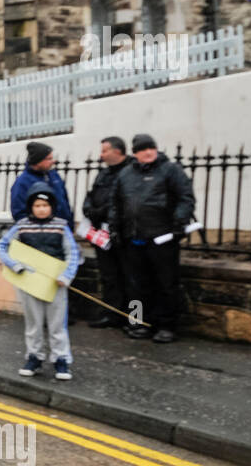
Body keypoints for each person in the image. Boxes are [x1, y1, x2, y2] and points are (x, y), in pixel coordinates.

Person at [108, 133, 196, 343]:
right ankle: (137, 322)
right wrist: (115, 228)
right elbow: (116, 203)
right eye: (142, 149)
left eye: (151, 148)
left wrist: (178, 223)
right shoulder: (125, 174)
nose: (148, 152)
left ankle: (166, 325)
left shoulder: (171, 170)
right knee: (135, 285)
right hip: (133, 238)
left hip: (162, 238)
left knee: (165, 283)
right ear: (135, 153)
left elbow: (185, 198)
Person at [0, 182, 81, 380]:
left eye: (45, 205)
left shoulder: (61, 226)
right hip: (29, 284)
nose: (41, 209)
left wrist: (66, 276)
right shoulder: (22, 225)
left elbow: (72, 253)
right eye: (37, 205)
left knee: (57, 324)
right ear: (30, 207)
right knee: (33, 324)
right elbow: (2, 245)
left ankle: (61, 359)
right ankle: (34, 357)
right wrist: (14, 265)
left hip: (56, 284)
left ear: (52, 206)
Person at [81, 136, 132, 327]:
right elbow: (91, 195)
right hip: (102, 234)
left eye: (104, 150)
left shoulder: (130, 171)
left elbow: (120, 201)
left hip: (122, 233)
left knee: (130, 278)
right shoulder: (103, 174)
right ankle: (111, 314)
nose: (101, 155)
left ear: (117, 151)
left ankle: (133, 317)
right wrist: (89, 210)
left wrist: (102, 212)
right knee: (108, 276)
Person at [10, 141, 71, 222]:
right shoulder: (22, 182)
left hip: (62, 229)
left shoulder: (54, 176)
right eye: (49, 159)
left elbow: (65, 203)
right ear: (38, 161)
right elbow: (19, 212)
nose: (53, 161)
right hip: (36, 231)